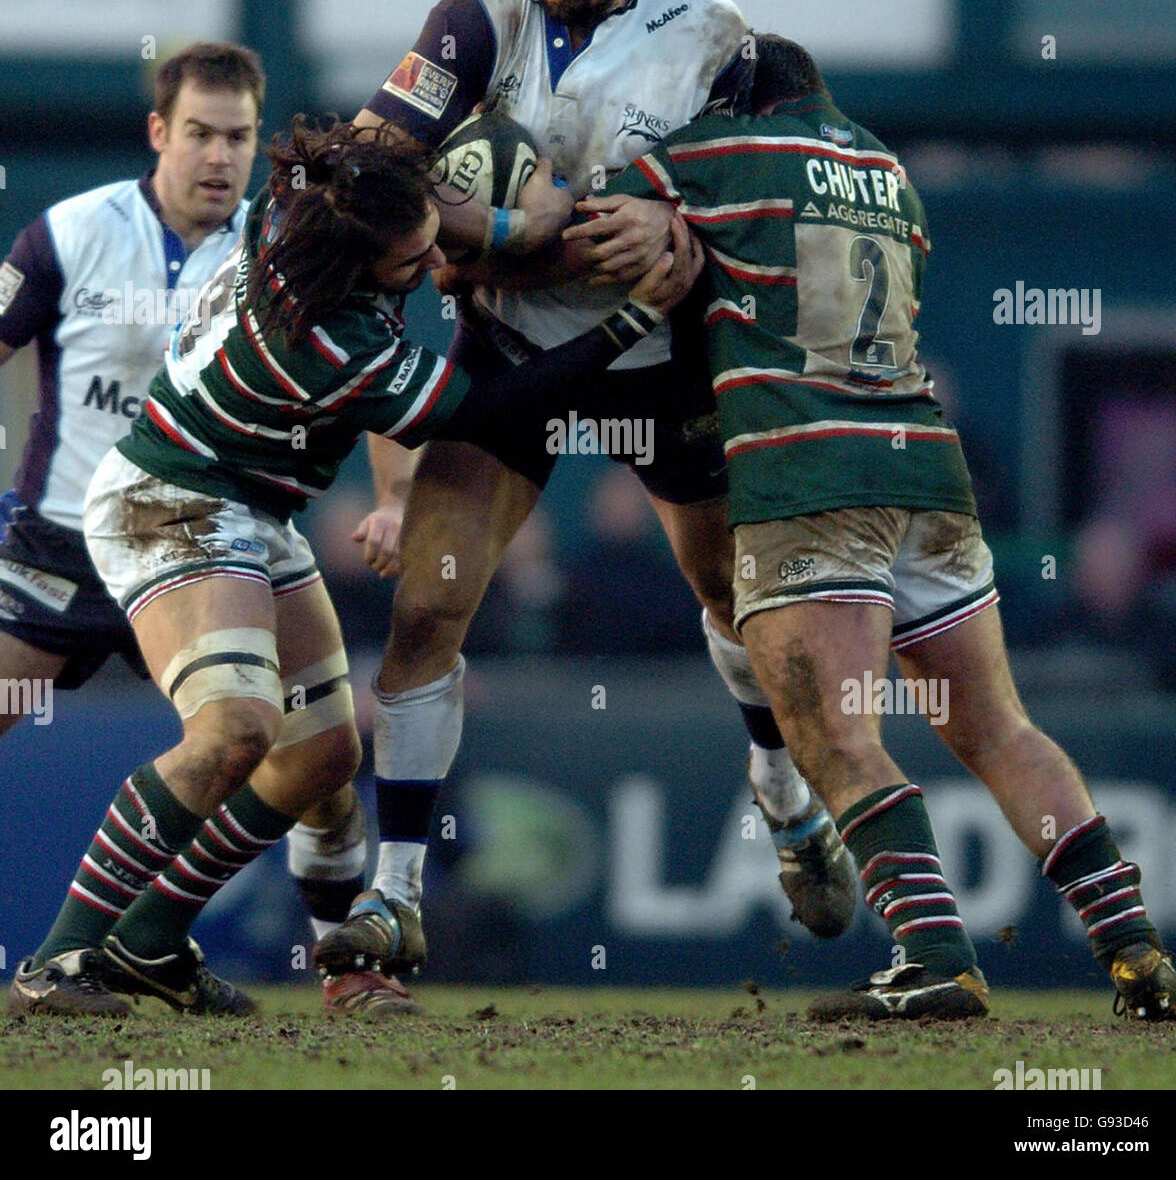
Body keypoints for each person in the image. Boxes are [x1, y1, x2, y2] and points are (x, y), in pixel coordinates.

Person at [314, 0, 854, 1009]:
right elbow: (369, 165)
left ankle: (778, 784)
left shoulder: (716, 37)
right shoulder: (476, 8)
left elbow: (783, 209)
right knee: (426, 604)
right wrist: (494, 234)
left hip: (660, 359)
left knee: (725, 596)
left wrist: (686, 241)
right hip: (515, 349)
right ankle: (395, 890)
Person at [7, 119, 701, 1017]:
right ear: (355, 262)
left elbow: (381, 178)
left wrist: (487, 207)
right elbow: (492, 409)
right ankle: (56, 962)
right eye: (410, 260)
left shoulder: (299, 215)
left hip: (252, 504)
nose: (428, 265)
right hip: (172, 500)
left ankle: (147, 938)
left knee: (325, 756)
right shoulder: (327, 345)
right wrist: (631, 319)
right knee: (234, 732)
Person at [602, 34, 1176, 1022]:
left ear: (737, 102)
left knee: (835, 739)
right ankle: (1137, 952)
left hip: (810, 477)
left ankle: (933, 958)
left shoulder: (729, 154)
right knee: (998, 729)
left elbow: (598, 212)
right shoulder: (886, 172)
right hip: (925, 470)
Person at [0, 43, 376, 989]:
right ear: (160, 132)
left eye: (239, 137)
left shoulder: (282, 252)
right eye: (200, 133)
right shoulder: (68, 232)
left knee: (322, 760)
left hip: (216, 539)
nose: (219, 156)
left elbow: (373, 381)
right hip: (64, 548)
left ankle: (337, 968)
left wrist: (402, 498)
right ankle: (113, 950)